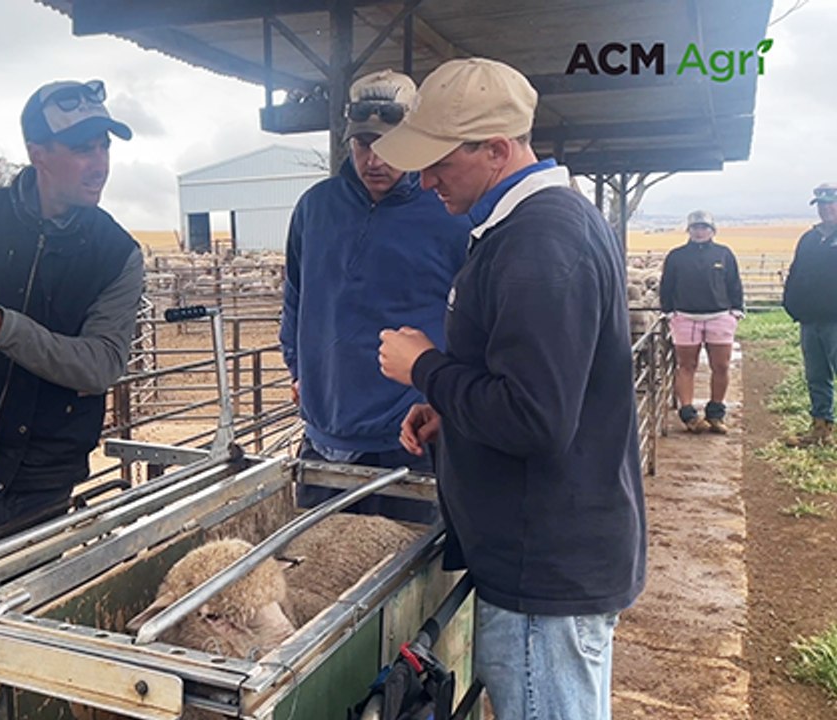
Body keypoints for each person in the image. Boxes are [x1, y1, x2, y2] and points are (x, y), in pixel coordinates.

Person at [372, 58, 645, 720]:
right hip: (549, 553)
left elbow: (534, 418)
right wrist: (451, 408)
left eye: (440, 163)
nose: (426, 180)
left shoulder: (540, 243)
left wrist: (425, 367)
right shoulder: (534, 226)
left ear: (496, 149)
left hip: (541, 571)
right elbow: (542, 387)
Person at [0, 79, 144, 710]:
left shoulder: (116, 253)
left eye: (104, 146)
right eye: (81, 147)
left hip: (43, 478)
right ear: (38, 153)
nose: (99, 163)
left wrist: (1, 325)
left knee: (29, 637)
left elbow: (100, 364)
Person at [278, 69, 469, 509]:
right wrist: (298, 369)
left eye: (389, 144)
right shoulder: (315, 208)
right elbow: (296, 297)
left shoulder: (450, 214)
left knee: (407, 552)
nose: (374, 160)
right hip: (323, 435)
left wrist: (445, 396)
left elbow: (474, 317)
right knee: (320, 552)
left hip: (410, 437)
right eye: (363, 143)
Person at [659, 210, 745, 434]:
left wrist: (736, 310)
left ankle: (715, 414)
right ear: (689, 230)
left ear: (712, 230)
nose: (699, 232)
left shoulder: (724, 254)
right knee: (687, 365)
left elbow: (734, 283)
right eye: (695, 227)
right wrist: (669, 311)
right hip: (685, 317)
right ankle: (689, 415)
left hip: (719, 316)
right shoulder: (676, 256)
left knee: (721, 365)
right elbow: (667, 285)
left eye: (704, 227)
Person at [782, 182, 837, 447]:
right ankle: (821, 429)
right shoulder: (809, 239)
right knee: (816, 376)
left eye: (830, 203)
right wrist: (792, 304)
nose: (825, 209)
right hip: (810, 320)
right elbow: (795, 273)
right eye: (821, 205)